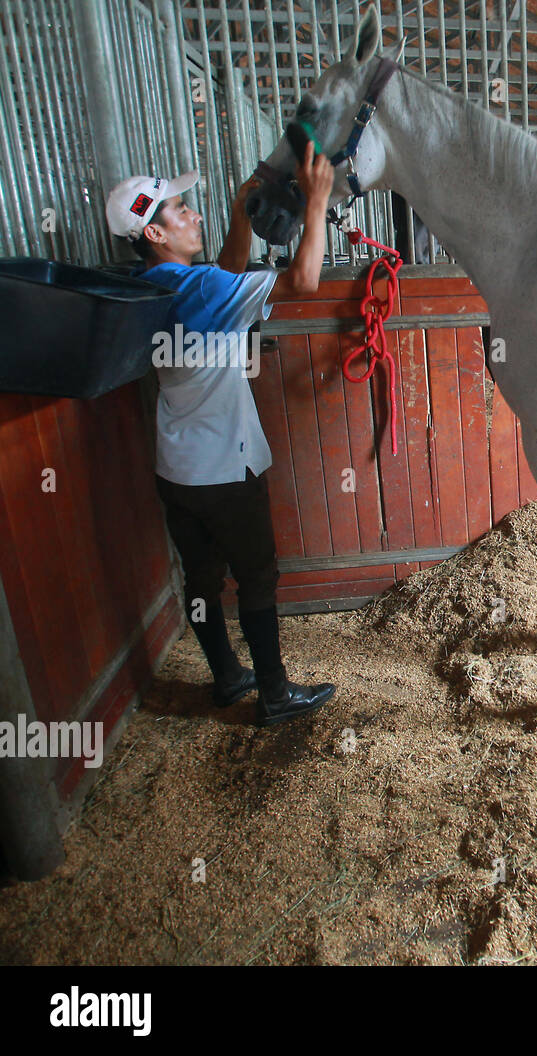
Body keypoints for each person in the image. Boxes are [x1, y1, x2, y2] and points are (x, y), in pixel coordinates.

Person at [104, 144, 337, 725]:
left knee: (202, 576)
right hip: (228, 470)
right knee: (258, 576)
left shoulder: (151, 285)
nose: (194, 216)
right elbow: (304, 280)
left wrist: (238, 219)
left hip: (176, 468)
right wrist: (318, 202)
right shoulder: (202, 288)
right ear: (155, 233)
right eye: (181, 210)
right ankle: (277, 695)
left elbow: (227, 278)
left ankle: (228, 678)